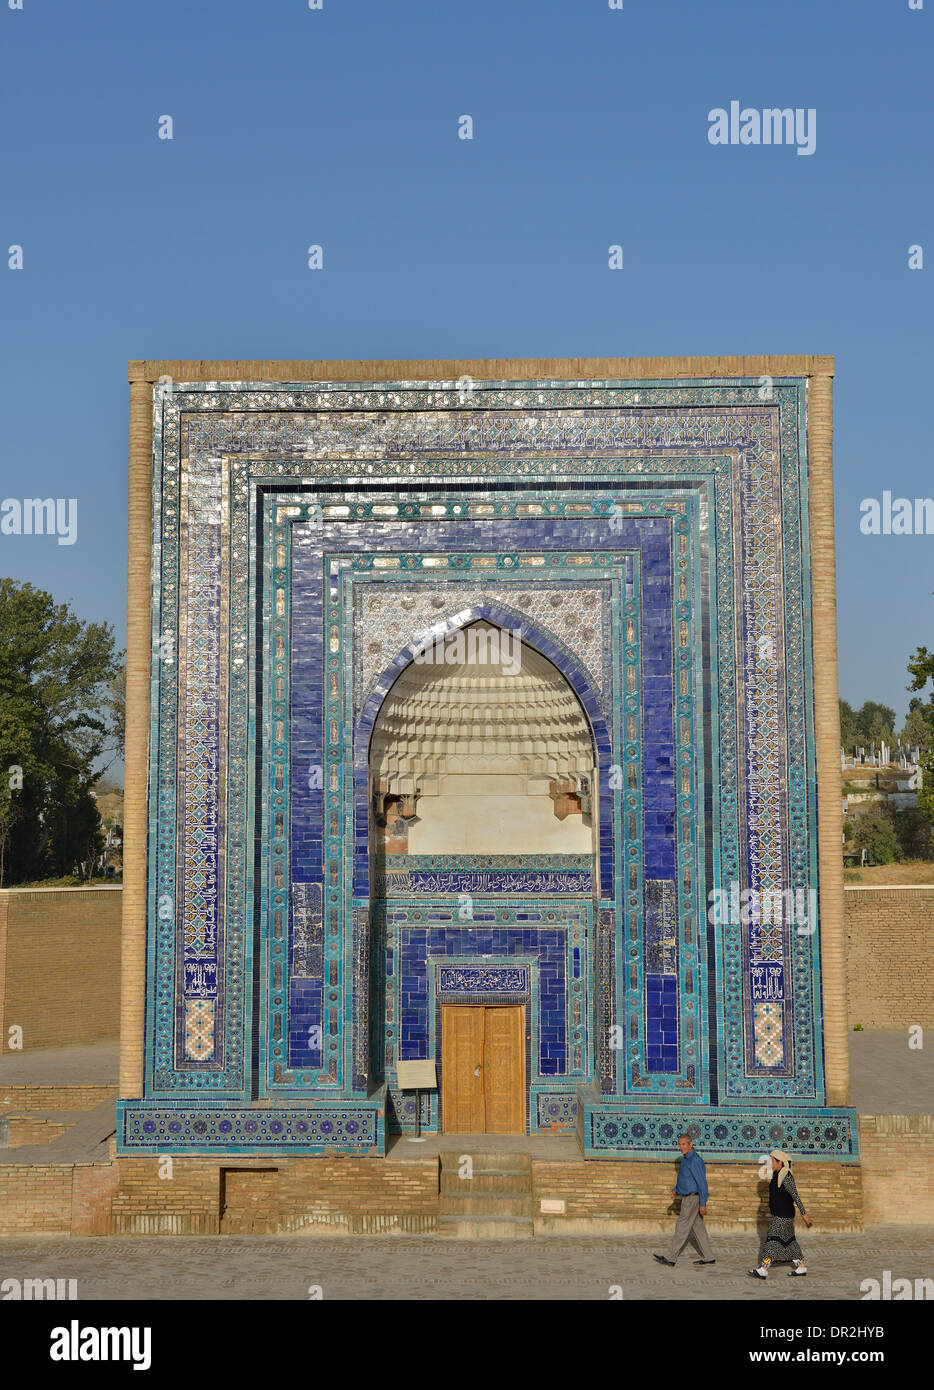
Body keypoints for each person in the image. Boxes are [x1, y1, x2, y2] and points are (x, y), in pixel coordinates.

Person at [653, 1133, 715, 1267]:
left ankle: (670, 1257)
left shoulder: (695, 1161)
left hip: (692, 1199)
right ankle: (709, 1257)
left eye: (684, 1144)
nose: (681, 1147)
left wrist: (703, 1203)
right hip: (689, 1197)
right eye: (679, 1144)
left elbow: (702, 1184)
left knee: (681, 1227)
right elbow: (686, 1179)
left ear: (690, 1144)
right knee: (698, 1228)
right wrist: (676, 1189)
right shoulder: (686, 1159)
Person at [749, 1150, 813, 1279]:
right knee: (790, 1242)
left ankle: (764, 1268)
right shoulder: (777, 1174)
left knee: (771, 1241)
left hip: (783, 1216)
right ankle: (801, 1267)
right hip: (782, 1214)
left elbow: (795, 1196)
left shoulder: (786, 1176)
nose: (771, 1163)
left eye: (773, 1161)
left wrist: (804, 1214)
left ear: (780, 1162)